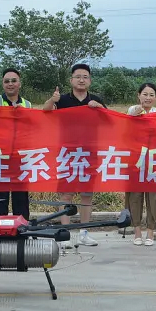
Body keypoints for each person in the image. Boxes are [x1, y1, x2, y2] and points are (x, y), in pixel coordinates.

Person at [42, 63, 105, 248]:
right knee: (66, 194)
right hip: (66, 152)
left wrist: (100, 107)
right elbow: (44, 111)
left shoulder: (95, 100)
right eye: (78, 76)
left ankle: (84, 233)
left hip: (89, 152)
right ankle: (65, 234)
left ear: (90, 81)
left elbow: (110, 119)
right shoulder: (61, 100)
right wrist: (52, 100)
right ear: (71, 80)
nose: (81, 80)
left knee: (87, 194)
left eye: (85, 77)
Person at [0, 67, 32, 220]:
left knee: (20, 196)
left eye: (14, 81)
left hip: (20, 157)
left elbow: (34, 126)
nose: (10, 84)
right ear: (3, 84)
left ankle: (22, 228)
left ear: (19, 84)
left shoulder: (27, 105)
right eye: (7, 81)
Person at [126, 82, 156, 246]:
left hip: (154, 159)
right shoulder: (132, 111)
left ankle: (151, 232)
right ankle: (137, 232)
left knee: (153, 197)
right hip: (135, 160)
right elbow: (125, 130)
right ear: (138, 95)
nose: (148, 98)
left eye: (151, 95)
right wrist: (135, 115)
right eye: (145, 94)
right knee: (134, 196)